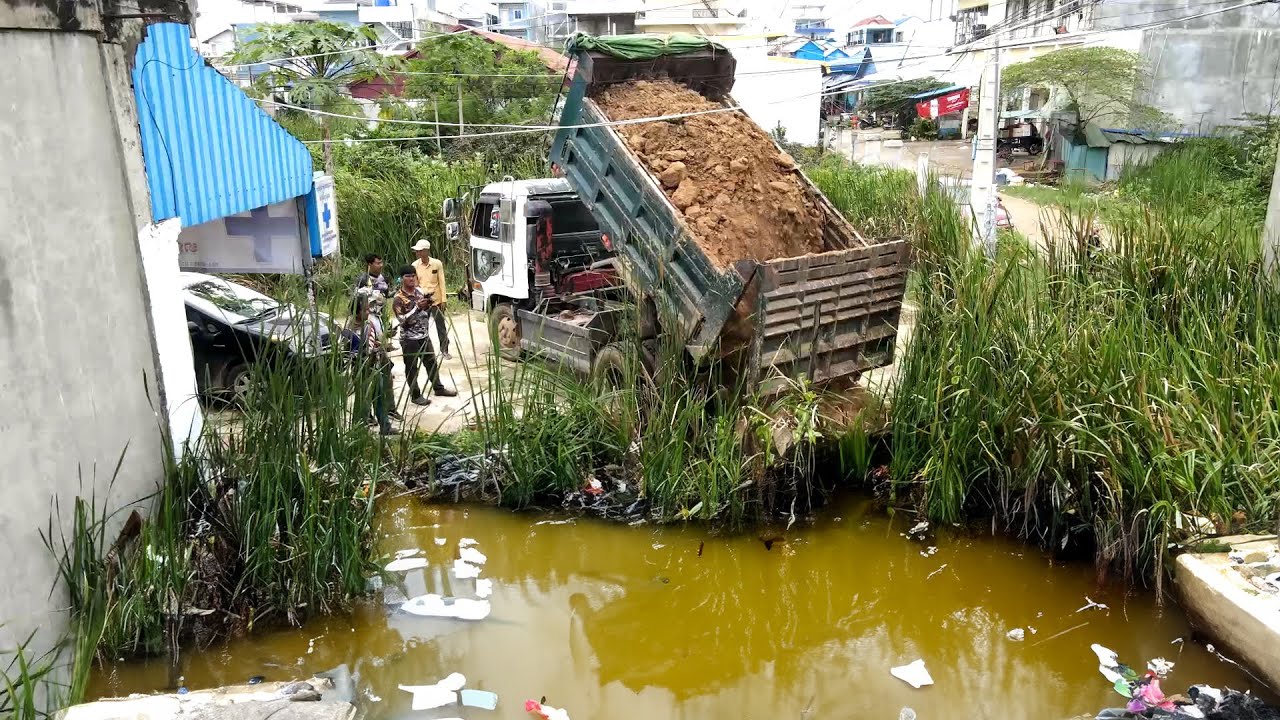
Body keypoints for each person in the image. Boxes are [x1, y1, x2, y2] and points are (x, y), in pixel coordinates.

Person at [393, 264, 457, 406]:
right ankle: (415, 395)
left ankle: (438, 388)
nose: (411, 279)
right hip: (409, 339)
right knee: (412, 368)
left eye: (413, 276)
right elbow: (402, 320)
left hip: (424, 336)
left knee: (431, 363)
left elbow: (424, 312)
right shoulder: (398, 298)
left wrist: (428, 303)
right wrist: (417, 308)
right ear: (401, 279)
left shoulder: (419, 291)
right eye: (408, 276)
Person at [345, 295, 396, 435]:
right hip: (362, 371)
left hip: (375, 366)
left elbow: (374, 342)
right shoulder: (349, 331)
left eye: (368, 309)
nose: (368, 312)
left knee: (380, 398)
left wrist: (382, 346)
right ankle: (359, 430)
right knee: (363, 402)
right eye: (365, 310)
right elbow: (349, 353)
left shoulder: (369, 325)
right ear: (356, 312)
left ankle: (385, 427)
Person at [411, 239, 451, 359]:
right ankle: (425, 351)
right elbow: (415, 284)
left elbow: (442, 282)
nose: (417, 253)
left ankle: (444, 350)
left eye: (419, 251)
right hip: (423, 301)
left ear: (426, 251)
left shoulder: (437, 264)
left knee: (441, 326)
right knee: (423, 326)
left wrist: (444, 299)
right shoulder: (415, 265)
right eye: (417, 251)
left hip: (436, 300)